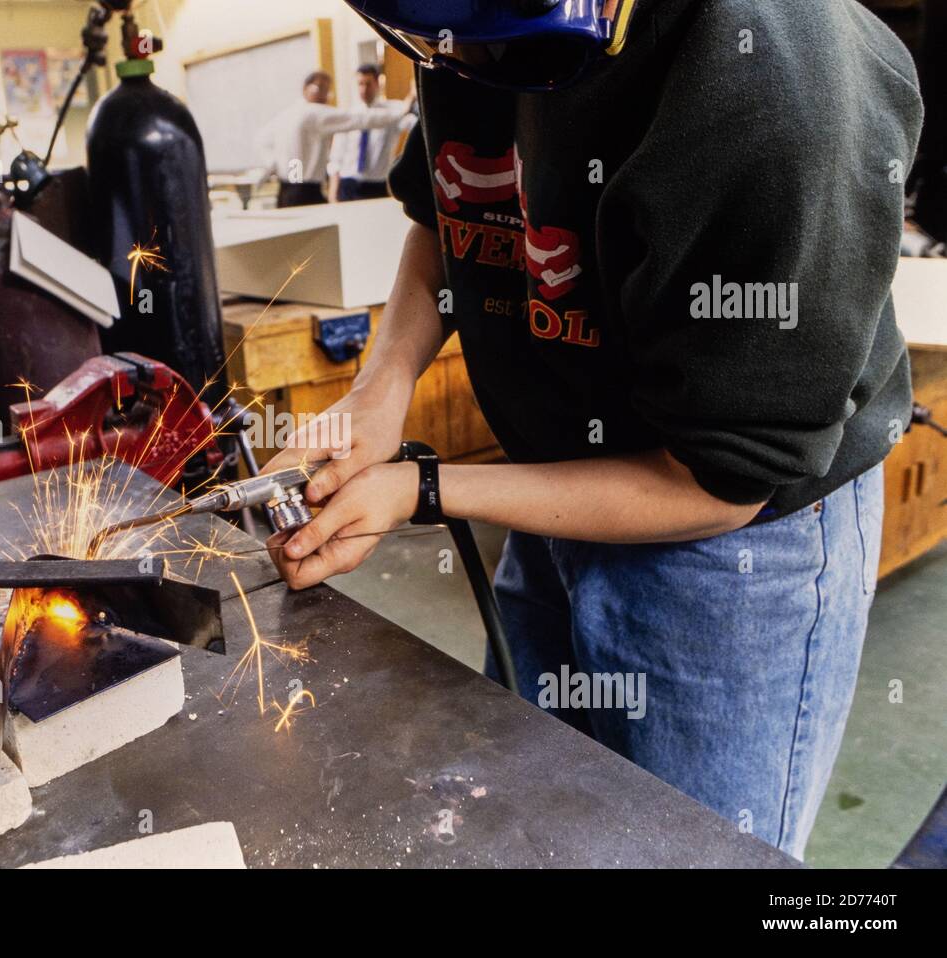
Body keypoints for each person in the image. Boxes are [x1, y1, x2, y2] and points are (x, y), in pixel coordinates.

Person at [263, 0, 922, 860]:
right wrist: (381, 387)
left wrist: (425, 488)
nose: (455, 65)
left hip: (738, 550)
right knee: (537, 825)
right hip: (556, 479)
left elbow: (718, 482)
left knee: (685, 852)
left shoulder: (774, 79)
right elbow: (454, 204)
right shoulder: (456, 20)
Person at [258, 70, 413, 207]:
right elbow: (357, 119)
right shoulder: (313, 113)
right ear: (306, 88)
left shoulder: (288, 114)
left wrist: (274, 165)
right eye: (320, 88)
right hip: (305, 191)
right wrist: (402, 111)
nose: (325, 94)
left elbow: (262, 141)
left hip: (288, 188)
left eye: (327, 89)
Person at [328, 64, 416, 202]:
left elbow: (414, 125)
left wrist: (413, 95)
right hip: (347, 185)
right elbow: (336, 157)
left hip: (375, 186)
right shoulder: (349, 115)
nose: (363, 89)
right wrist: (333, 193)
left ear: (377, 84)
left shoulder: (394, 110)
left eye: (368, 84)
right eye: (360, 84)